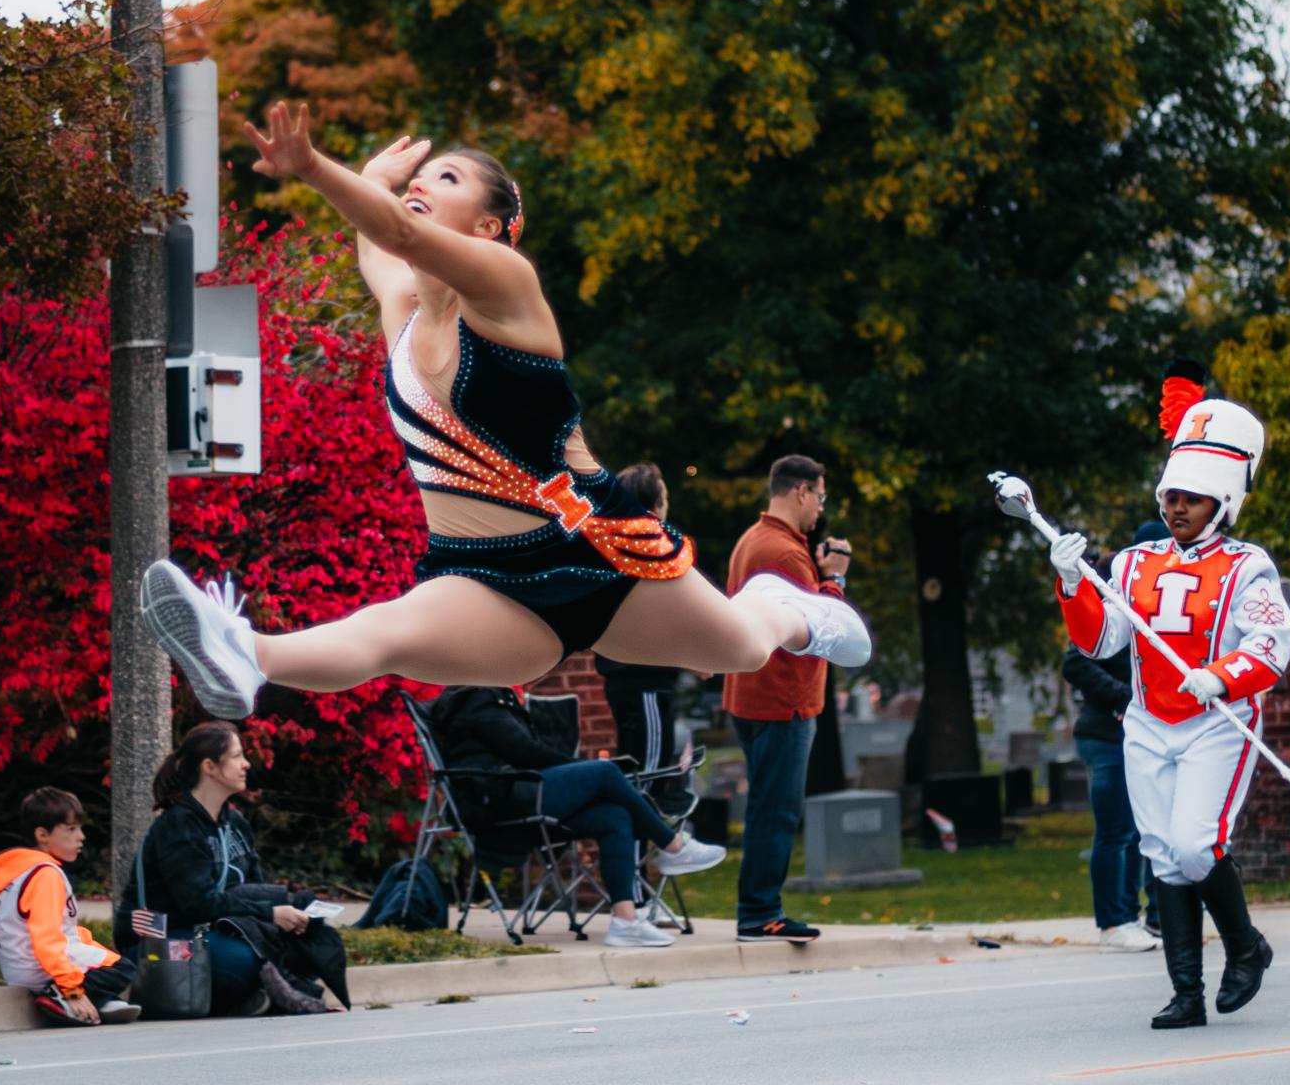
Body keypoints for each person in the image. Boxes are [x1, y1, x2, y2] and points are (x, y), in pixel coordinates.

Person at [136, 107, 870, 724]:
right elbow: (382, 245)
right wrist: (367, 182)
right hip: (484, 578)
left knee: (742, 646)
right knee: (381, 633)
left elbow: (399, 235)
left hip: (597, 550)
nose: (423, 184)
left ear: (487, 226)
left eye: (446, 179)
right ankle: (242, 650)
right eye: (421, 178)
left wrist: (320, 170)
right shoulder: (401, 311)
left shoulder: (505, 286)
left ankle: (796, 610)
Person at [1050, 369, 1290, 1029]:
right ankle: (1186, 992)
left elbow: (1271, 643)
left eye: (1191, 497)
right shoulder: (1131, 564)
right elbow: (1101, 640)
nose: (1175, 507)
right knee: (1160, 852)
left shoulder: (1247, 565)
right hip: (1146, 722)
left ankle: (1245, 946)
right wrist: (1073, 583)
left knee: (1192, 845)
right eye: (1170, 495)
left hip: (1216, 721)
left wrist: (1221, 674)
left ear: (1222, 503)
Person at [431, 684, 726, 947]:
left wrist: (582, 776)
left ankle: (625, 922)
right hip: (503, 801)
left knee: (614, 816)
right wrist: (583, 774)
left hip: (520, 794)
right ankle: (673, 845)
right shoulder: (476, 700)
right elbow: (526, 753)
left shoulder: (491, 697)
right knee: (604, 772)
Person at [124, 722, 348, 1016]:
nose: (246, 764)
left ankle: (254, 996)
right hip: (165, 944)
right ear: (210, 767)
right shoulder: (178, 826)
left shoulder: (235, 822)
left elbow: (252, 885)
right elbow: (198, 904)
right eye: (237, 756)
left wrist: (287, 910)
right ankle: (249, 996)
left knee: (308, 936)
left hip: (221, 930)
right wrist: (270, 914)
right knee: (243, 959)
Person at [723, 455, 853, 945]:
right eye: (820, 497)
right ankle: (759, 912)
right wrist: (835, 578)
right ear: (800, 491)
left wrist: (818, 575)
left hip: (752, 695)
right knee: (776, 810)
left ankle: (758, 908)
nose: (821, 509)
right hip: (782, 699)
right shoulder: (784, 553)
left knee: (767, 805)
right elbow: (823, 630)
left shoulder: (754, 541)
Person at [1061, 522, 1169, 954]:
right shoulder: (1114, 593)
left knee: (1148, 831)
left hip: (1147, 731)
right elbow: (1077, 661)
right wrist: (1127, 698)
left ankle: (1154, 917)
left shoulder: (1165, 599)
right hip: (1107, 732)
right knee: (1116, 830)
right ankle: (1114, 921)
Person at [0, 787, 140, 1027]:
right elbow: (47, 939)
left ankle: (97, 1000)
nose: (81, 836)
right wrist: (71, 989)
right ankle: (64, 997)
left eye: (80, 828)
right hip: (39, 970)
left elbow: (58, 930)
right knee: (123, 969)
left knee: (105, 958)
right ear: (42, 835)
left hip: (19, 969)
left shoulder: (19, 874)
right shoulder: (45, 875)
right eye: (71, 829)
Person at [595, 463, 686, 772]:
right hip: (644, 679)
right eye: (665, 498)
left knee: (641, 767)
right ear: (655, 506)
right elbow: (664, 613)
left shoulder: (612, 548)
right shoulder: (647, 552)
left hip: (627, 677)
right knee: (649, 775)